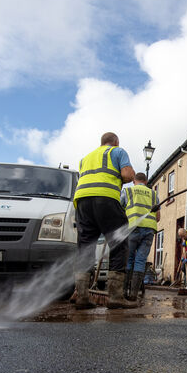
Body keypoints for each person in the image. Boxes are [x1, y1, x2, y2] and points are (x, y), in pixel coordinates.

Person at [73, 132, 137, 309]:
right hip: (106, 198)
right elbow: (126, 175)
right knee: (118, 243)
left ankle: (82, 296)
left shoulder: (85, 158)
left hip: (82, 201)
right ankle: (116, 297)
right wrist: (130, 174)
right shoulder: (117, 152)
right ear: (116, 142)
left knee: (85, 246)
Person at [120, 172, 159, 301]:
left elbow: (119, 210)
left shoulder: (128, 191)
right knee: (141, 260)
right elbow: (158, 218)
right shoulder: (154, 194)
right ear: (146, 182)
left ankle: (125, 291)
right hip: (149, 230)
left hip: (132, 229)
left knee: (129, 259)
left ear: (134, 181)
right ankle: (134, 294)